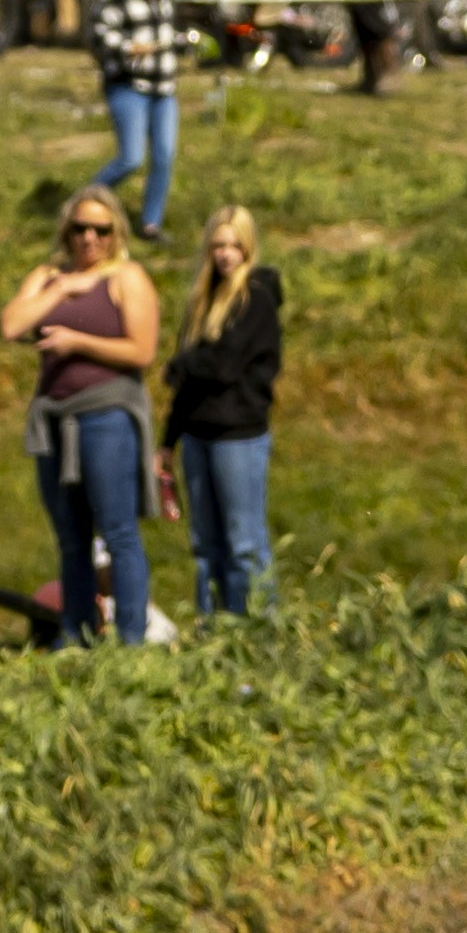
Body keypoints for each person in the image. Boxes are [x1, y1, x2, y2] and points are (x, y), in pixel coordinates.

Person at [1, 188, 160, 649]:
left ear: (115, 234)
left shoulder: (127, 278)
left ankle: (131, 640)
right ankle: (76, 633)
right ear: (66, 231)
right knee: (71, 536)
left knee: (117, 531)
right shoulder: (49, 276)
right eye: (80, 228)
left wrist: (78, 342)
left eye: (101, 230)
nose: (89, 238)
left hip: (106, 415)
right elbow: (11, 325)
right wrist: (65, 289)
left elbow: (141, 350)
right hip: (53, 419)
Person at [163, 204, 282, 627]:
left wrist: (181, 365)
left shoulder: (257, 298)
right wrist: (167, 441)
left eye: (235, 245)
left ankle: (260, 629)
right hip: (198, 434)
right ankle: (213, 627)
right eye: (218, 245)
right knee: (204, 543)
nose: (226, 254)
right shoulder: (202, 302)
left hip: (239, 436)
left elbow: (223, 365)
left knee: (244, 543)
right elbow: (188, 381)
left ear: (248, 248)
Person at [83, 0, 185, 231]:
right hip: (128, 86)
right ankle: (84, 204)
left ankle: (150, 224)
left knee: (165, 157)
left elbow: (166, 36)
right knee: (131, 159)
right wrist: (128, 46)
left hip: (164, 89)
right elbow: (98, 32)